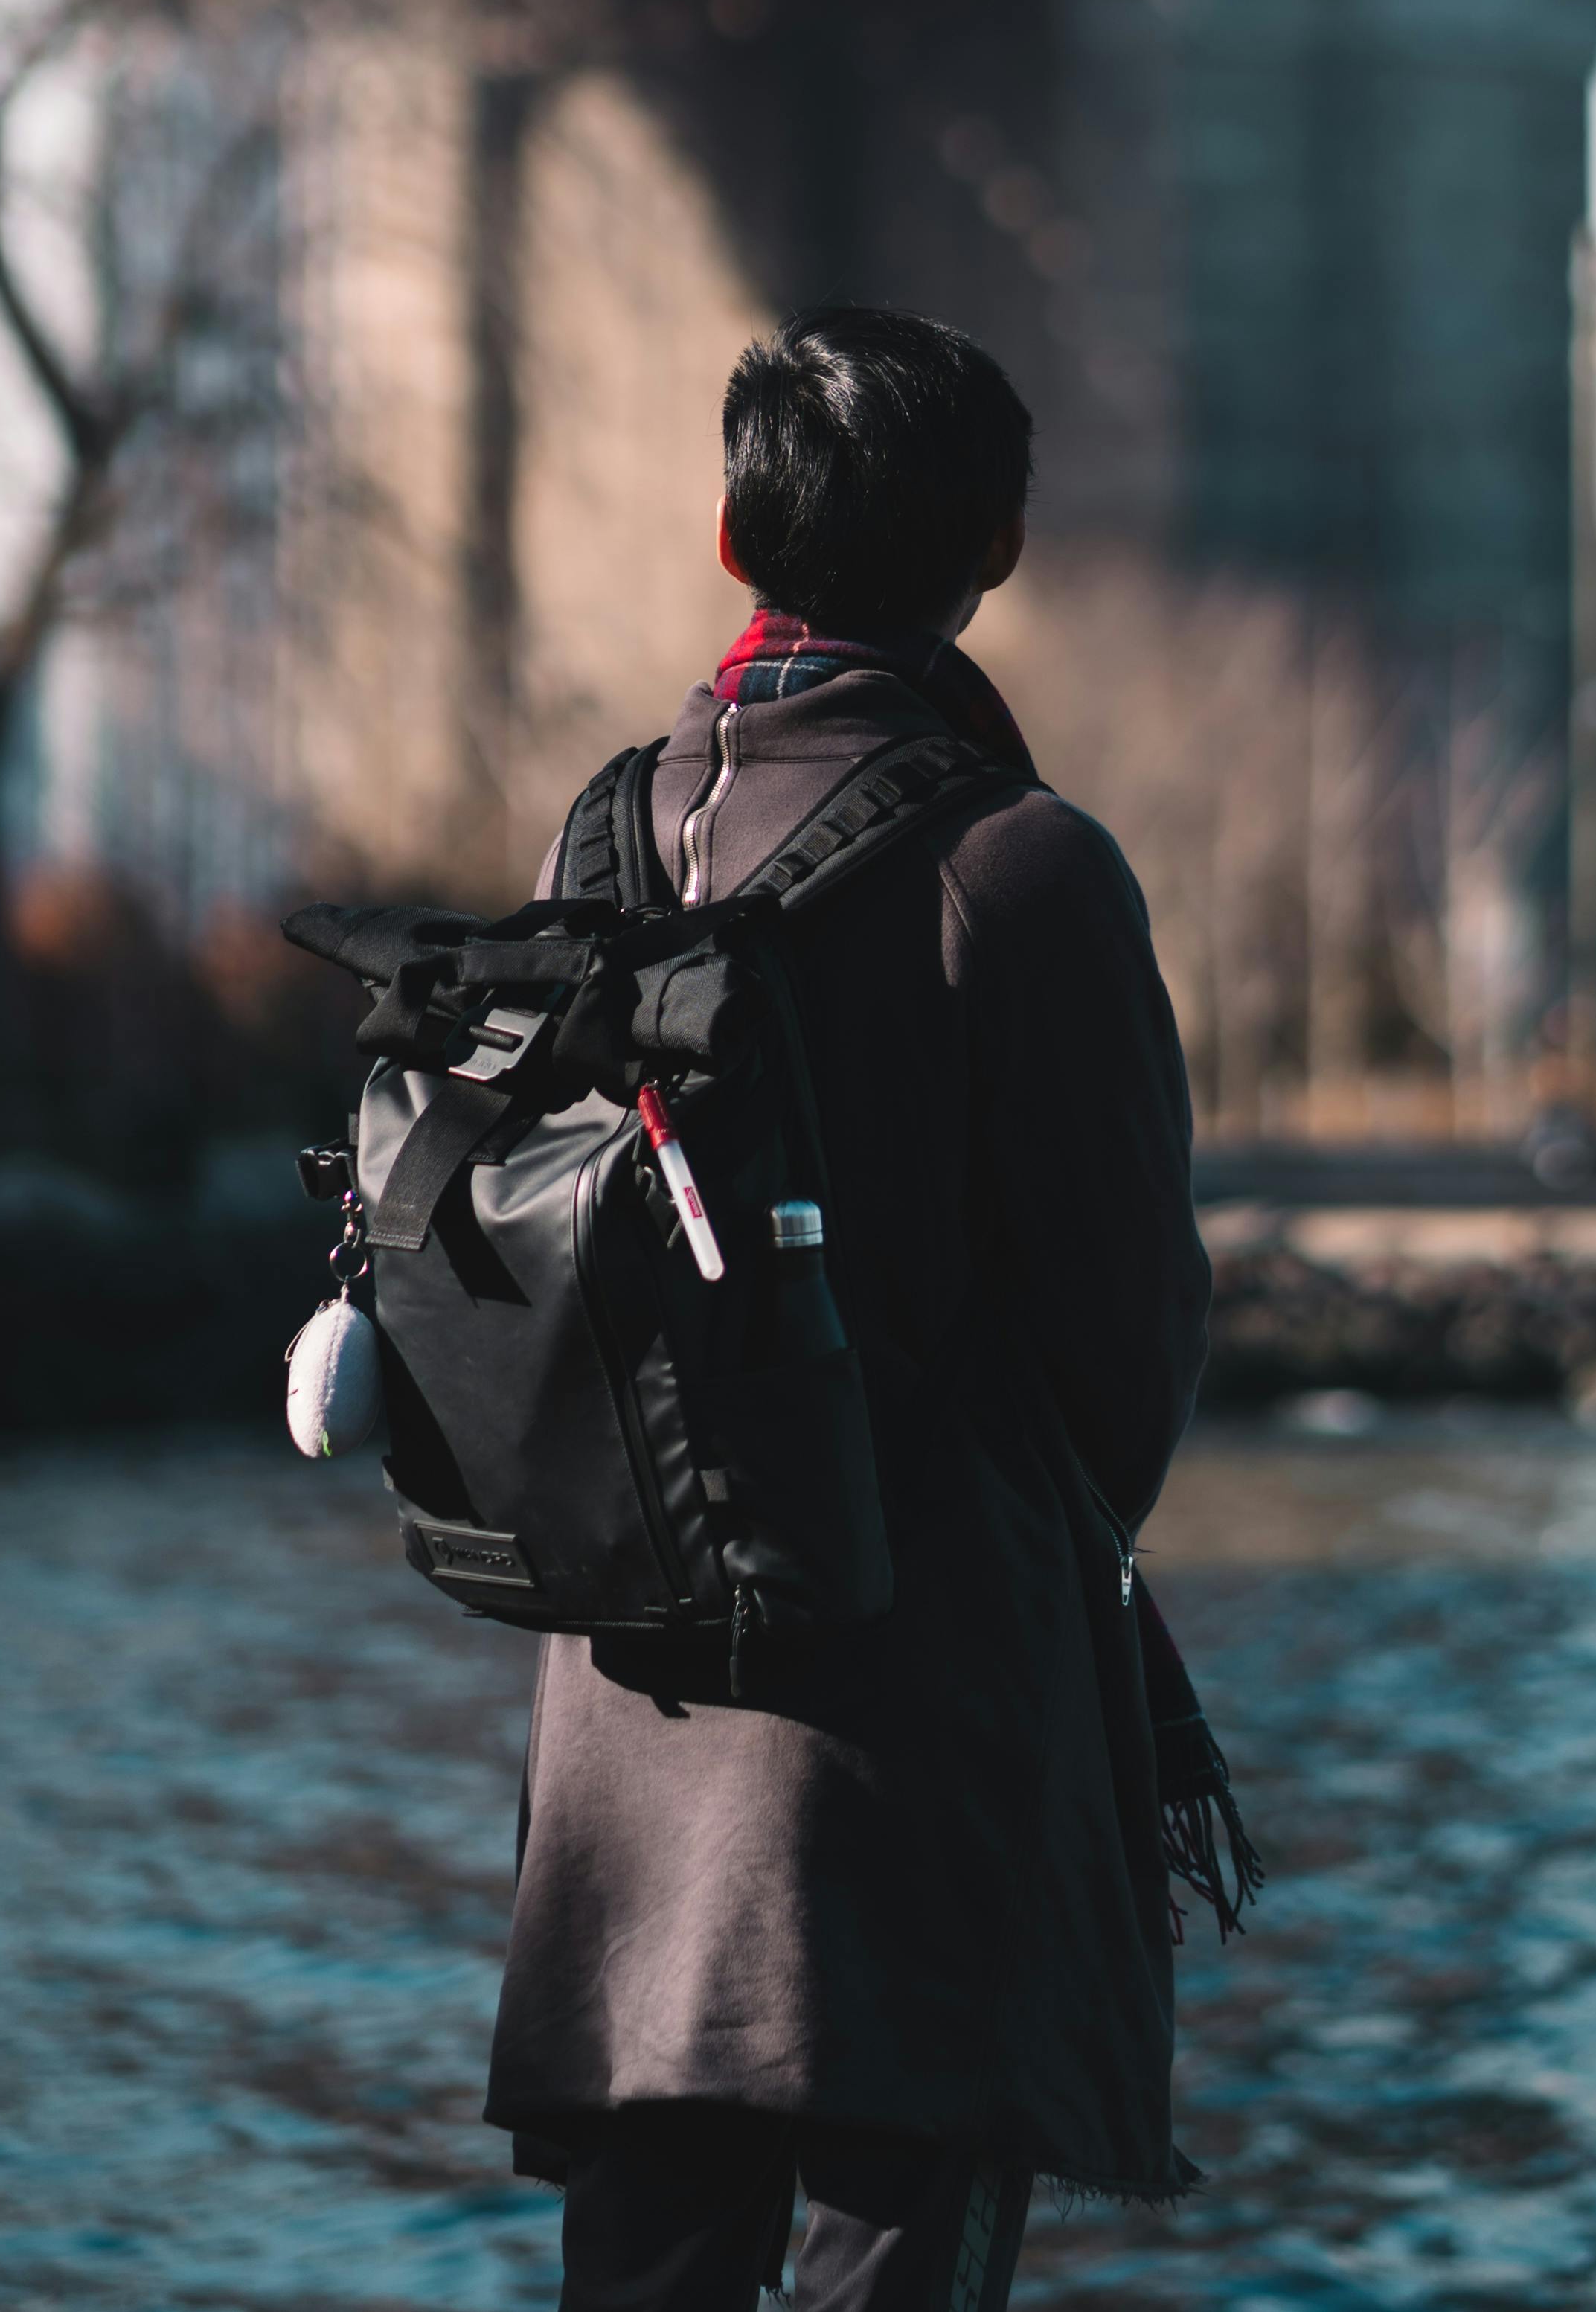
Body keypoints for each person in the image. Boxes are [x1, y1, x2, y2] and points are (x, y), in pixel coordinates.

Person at [486, 304, 1214, 2312]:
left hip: (631, 1701)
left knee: (644, 2266)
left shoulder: (600, 830)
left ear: (734, 537)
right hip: (924, 1700)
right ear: (994, 552)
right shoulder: (1021, 862)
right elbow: (1127, 1333)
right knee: (905, 2239)